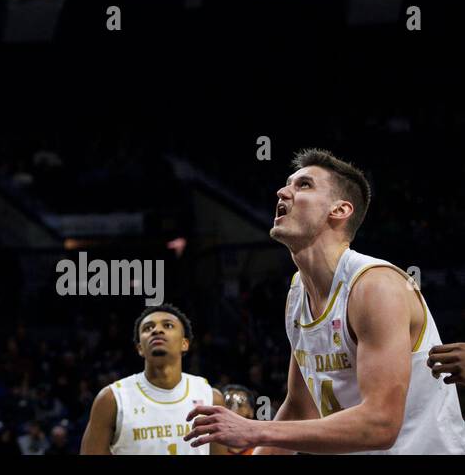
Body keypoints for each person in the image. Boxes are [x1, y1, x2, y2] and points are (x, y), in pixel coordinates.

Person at [186, 149, 465, 454]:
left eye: (303, 185)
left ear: (340, 210)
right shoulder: (297, 293)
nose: (282, 191)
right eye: (287, 184)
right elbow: (299, 409)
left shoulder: (375, 286)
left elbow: (381, 424)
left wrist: (255, 430)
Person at [81, 304, 228, 455]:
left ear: (184, 344)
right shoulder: (112, 398)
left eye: (168, 325)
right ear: (140, 348)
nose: (157, 330)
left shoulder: (211, 397)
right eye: (148, 328)